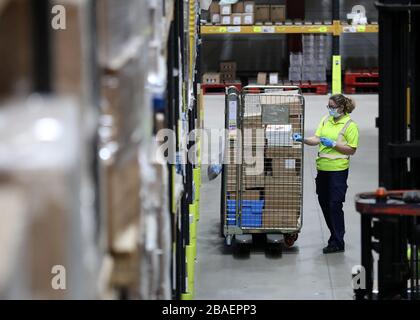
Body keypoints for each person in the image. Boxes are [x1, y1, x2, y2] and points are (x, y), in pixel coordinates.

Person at [293, 94, 359, 254]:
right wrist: (303, 139)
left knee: (335, 205)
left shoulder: (350, 125)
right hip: (322, 170)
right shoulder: (325, 120)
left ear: (341, 108)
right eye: (328, 106)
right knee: (324, 203)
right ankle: (334, 236)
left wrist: (335, 144)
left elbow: (352, 149)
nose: (329, 109)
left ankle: (338, 241)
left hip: (338, 171)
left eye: (332, 107)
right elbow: (317, 139)